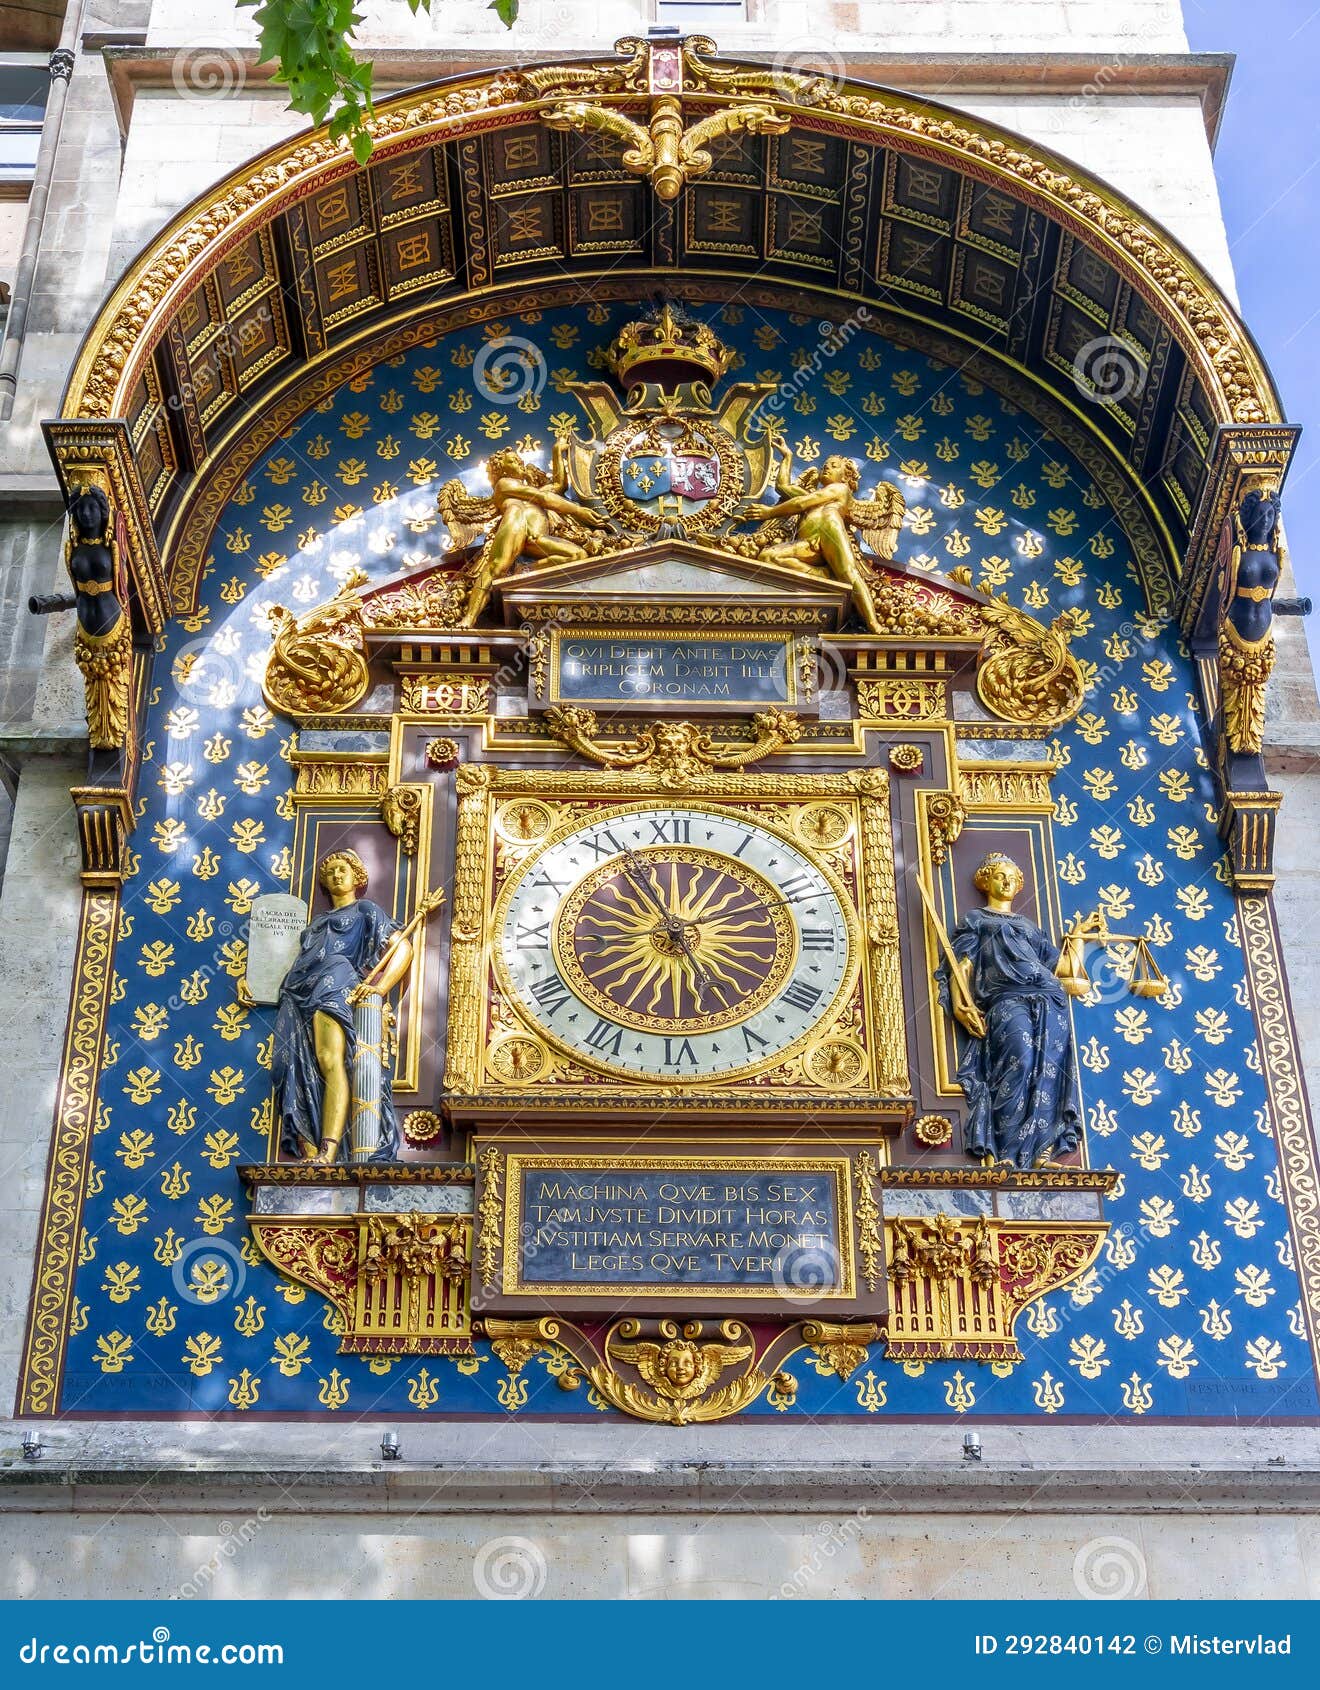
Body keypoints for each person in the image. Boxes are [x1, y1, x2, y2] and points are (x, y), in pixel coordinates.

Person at [934, 851, 1081, 1169]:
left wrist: (1078, 938)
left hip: (1050, 1000)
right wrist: (961, 1004)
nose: (1007, 881)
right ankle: (1007, 1153)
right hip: (1006, 999)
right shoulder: (977, 920)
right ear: (986, 880)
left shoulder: (1030, 926)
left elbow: (1065, 968)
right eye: (1000, 875)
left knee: (1048, 1074)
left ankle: (1041, 1154)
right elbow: (962, 966)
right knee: (1020, 1064)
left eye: (1013, 878)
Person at [273, 850, 413, 1163]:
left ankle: (329, 1149)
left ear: (357, 877)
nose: (337, 875)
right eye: (331, 871)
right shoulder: (318, 922)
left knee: (328, 1059)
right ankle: (311, 1144)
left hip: (334, 983)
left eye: (343, 869)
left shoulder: (365, 910)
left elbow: (403, 948)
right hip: (297, 994)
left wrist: (378, 989)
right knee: (296, 1065)